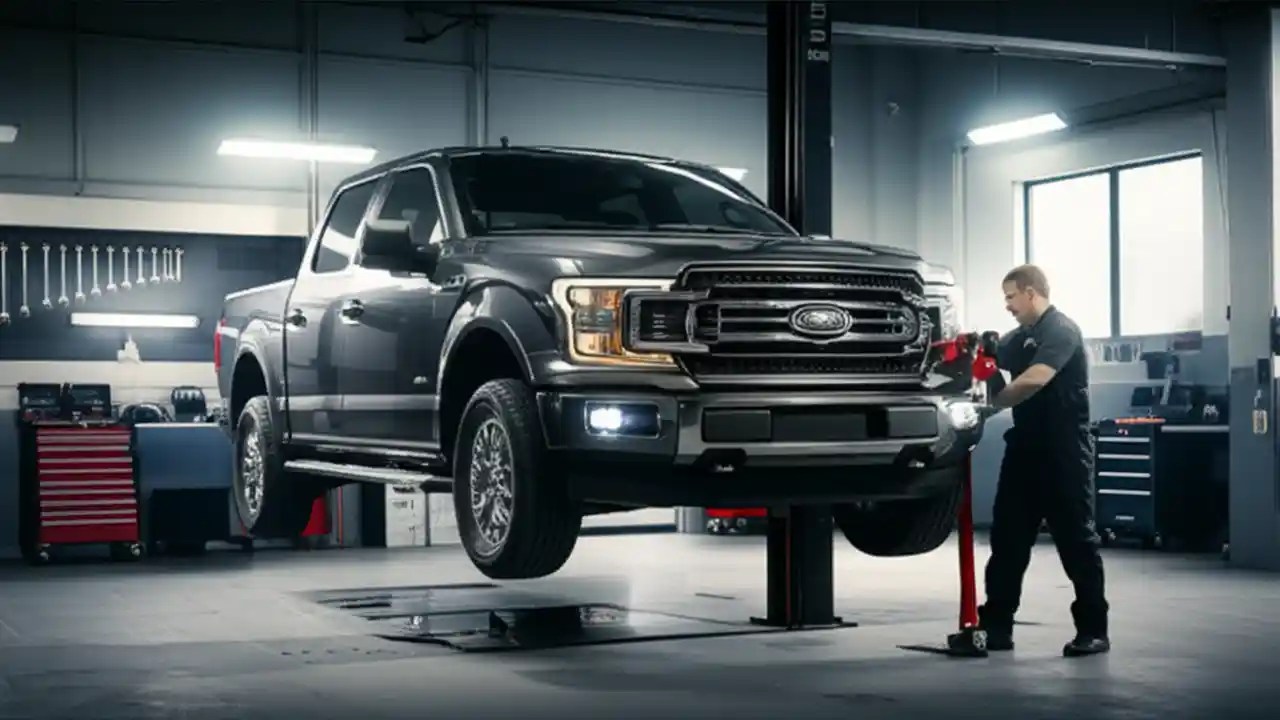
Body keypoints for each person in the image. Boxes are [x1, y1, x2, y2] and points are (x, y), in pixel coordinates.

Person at [977, 264, 1110, 657]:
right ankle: (997, 627)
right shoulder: (1019, 338)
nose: (1008, 306)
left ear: (1031, 292)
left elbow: (1035, 379)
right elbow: (988, 358)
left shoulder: (1060, 330)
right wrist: (975, 351)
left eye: (1010, 297)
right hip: (1024, 451)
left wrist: (994, 403)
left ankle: (1094, 631)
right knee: (1007, 542)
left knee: (1076, 543)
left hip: (1064, 451)